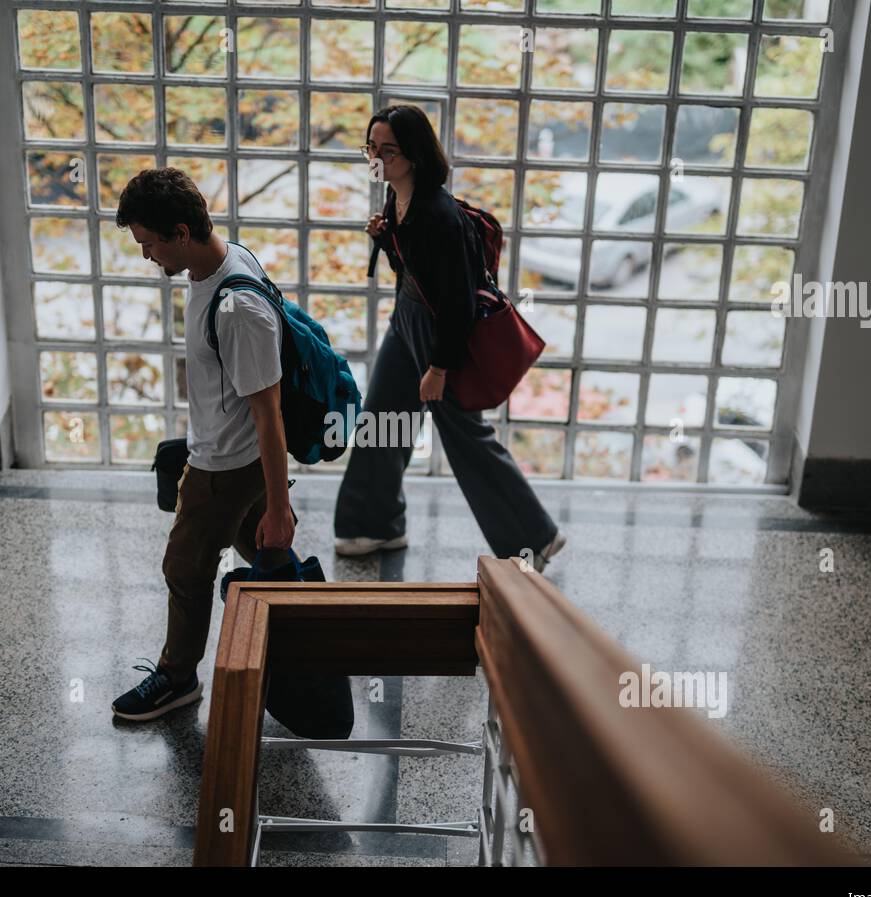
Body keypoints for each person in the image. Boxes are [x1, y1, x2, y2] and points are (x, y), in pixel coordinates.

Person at [334, 105, 566, 570]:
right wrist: (386, 238)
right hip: (407, 320)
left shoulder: (440, 215)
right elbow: (415, 272)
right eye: (371, 148)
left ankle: (534, 538)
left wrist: (438, 368)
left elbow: (458, 302)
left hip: (442, 335)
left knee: (465, 437)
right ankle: (374, 523)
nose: (376, 159)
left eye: (388, 151)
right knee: (384, 417)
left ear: (415, 154)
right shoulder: (398, 199)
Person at [111, 167, 295, 721]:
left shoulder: (237, 308)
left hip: (225, 466)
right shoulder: (221, 260)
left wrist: (280, 505)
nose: (147, 256)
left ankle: (177, 677)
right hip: (224, 455)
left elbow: (269, 414)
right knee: (268, 556)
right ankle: (314, 636)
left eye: (149, 244)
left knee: (185, 569)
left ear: (182, 233)